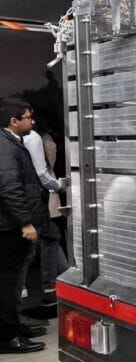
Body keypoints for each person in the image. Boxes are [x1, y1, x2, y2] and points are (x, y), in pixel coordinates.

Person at [0, 96, 49, 352]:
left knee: (13, 281)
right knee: (9, 284)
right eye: (28, 117)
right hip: (10, 228)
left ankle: (15, 326)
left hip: (13, 225)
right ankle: (8, 336)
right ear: (14, 120)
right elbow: (10, 189)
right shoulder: (5, 147)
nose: (32, 121)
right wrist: (25, 223)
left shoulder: (11, 143)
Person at [21, 121, 68, 318]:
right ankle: (54, 286)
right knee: (45, 241)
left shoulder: (29, 139)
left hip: (39, 200)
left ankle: (55, 285)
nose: (31, 120)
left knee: (49, 239)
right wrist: (58, 186)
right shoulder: (35, 138)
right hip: (39, 199)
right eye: (27, 116)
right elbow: (42, 172)